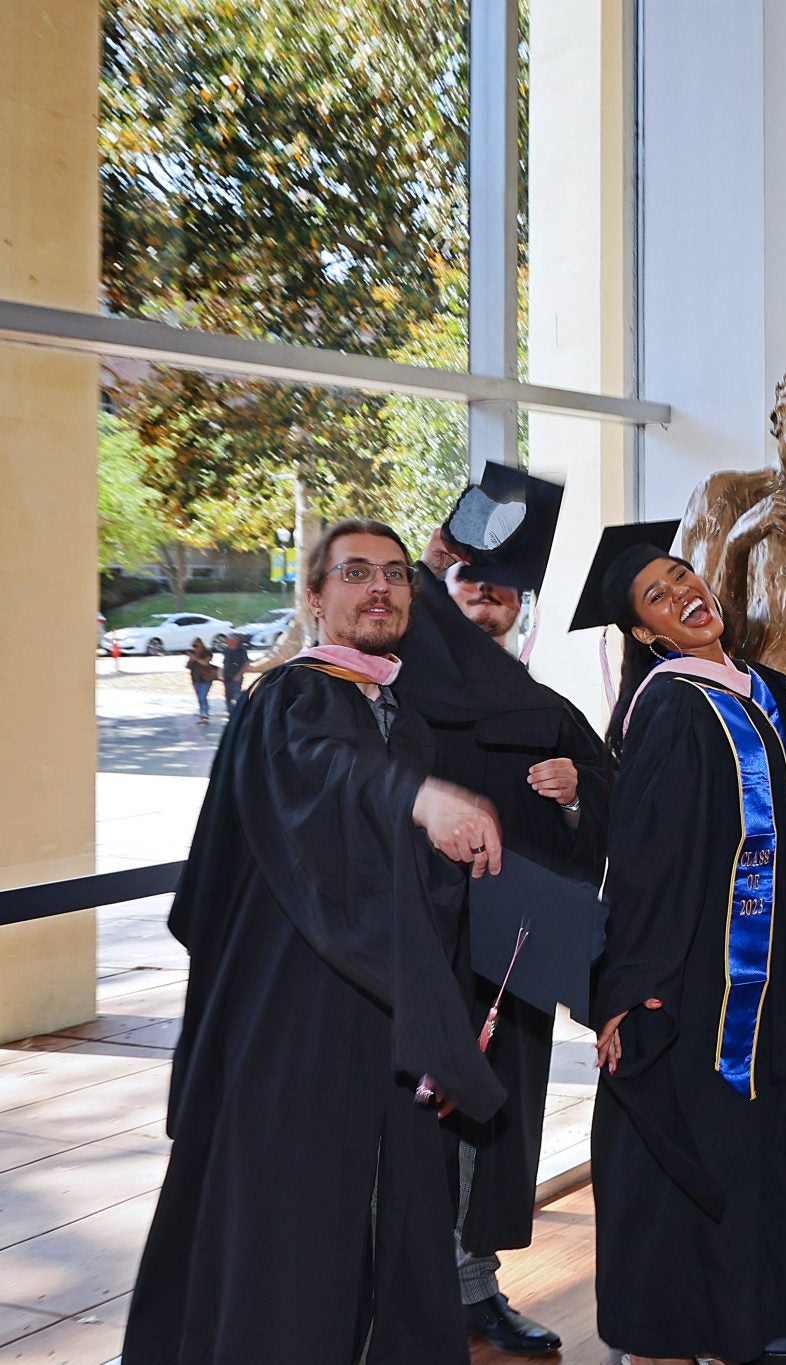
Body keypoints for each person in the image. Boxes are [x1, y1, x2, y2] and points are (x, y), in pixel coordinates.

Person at [126, 519, 509, 1363]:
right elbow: (328, 769)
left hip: (372, 1014)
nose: (380, 588)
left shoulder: (394, 711)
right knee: (291, 1234)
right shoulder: (294, 698)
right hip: (289, 1017)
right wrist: (421, 800)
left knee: (376, 1221)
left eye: (397, 575)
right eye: (356, 572)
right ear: (314, 596)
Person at [585, 525, 786, 1365]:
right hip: (695, 985)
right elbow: (644, 855)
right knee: (692, 1149)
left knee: (757, 1139)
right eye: (657, 595)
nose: (683, 590)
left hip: (774, 975)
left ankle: (732, 1327)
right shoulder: (674, 706)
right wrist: (632, 984)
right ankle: (666, 1341)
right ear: (648, 634)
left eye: (683, 574)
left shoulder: (758, 688)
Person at [406, 544, 610, 1357]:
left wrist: (576, 794)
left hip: (510, 957)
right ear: (440, 592)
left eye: (504, 587)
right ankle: (394, 1289)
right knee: (408, 1119)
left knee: (489, 1122)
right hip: (419, 949)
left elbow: (608, 801)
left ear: (520, 605)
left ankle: (471, 1284)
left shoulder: (549, 708)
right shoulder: (401, 698)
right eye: (469, 580)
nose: (488, 594)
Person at [217, 630, 251, 712]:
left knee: (237, 695)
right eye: (227, 640)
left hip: (236, 677)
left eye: (229, 640)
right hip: (227, 676)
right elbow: (223, 663)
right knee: (228, 695)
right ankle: (231, 712)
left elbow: (246, 663)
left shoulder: (241, 650)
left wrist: (239, 675)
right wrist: (220, 673)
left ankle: (239, 711)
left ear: (235, 641)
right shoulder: (226, 650)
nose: (227, 642)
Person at [185, 636, 218, 724]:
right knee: (200, 697)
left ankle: (205, 715)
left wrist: (195, 658)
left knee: (203, 696)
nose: (195, 648)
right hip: (195, 679)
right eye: (194, 646)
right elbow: (188, 666)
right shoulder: (194, 654)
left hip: (206, 678)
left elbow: (205, 663)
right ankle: (202, 714)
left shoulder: (207, 653)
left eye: (196, 646)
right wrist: (191, 659)